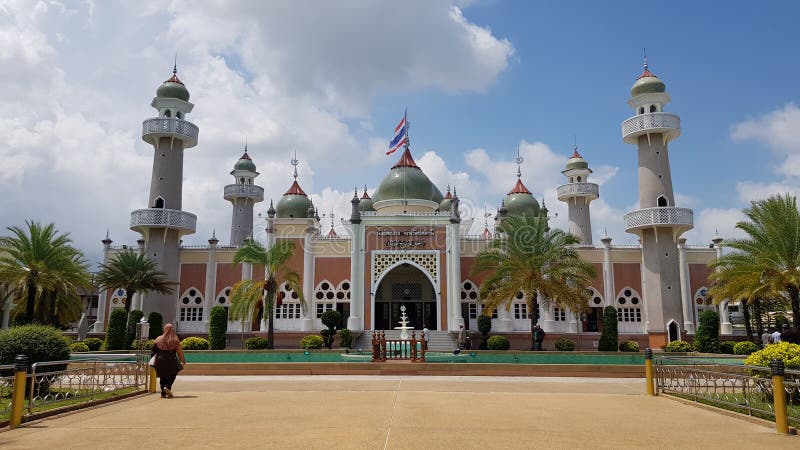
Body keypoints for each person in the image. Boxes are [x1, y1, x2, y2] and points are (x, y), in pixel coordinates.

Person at [151, 323, 186, 399]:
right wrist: (183, 360)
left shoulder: (158, 339)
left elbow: (153, 351)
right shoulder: (175, 340)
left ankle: (163, 393)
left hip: (159, 360)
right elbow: (179, 352)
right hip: (171, 361)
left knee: (162, 376)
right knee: (174, 373)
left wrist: (154, 360)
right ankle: (167, 386)